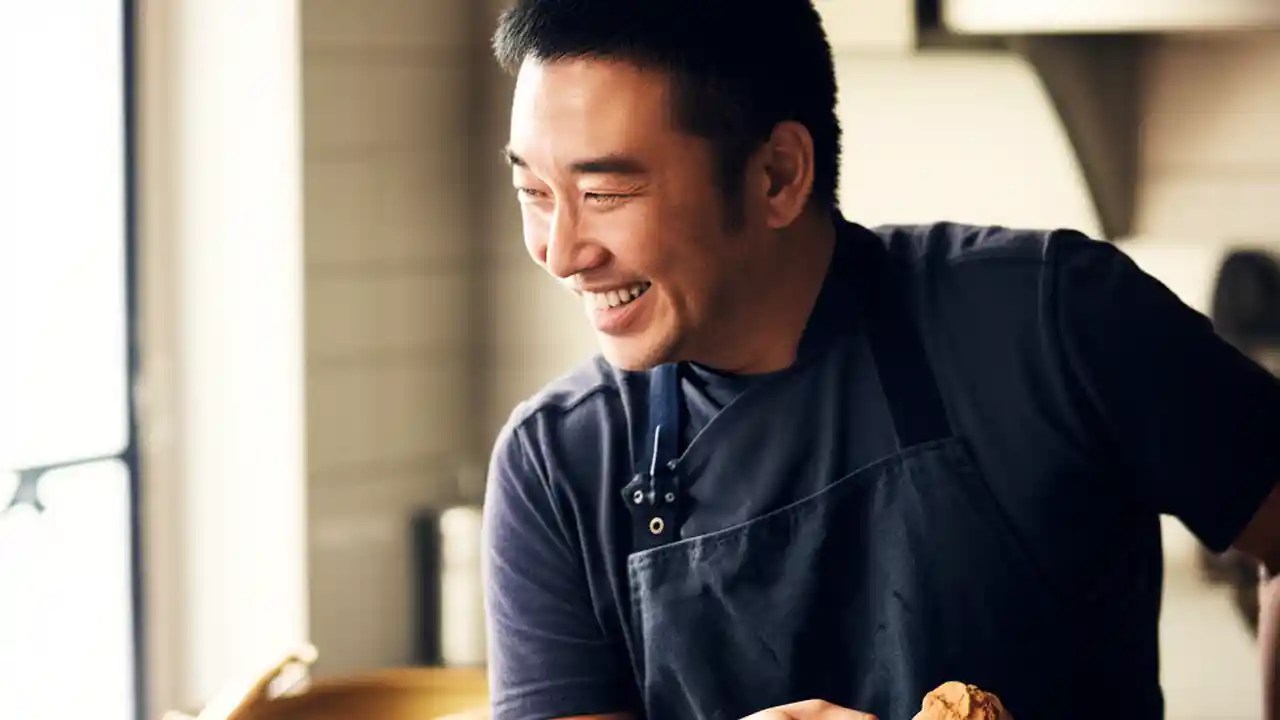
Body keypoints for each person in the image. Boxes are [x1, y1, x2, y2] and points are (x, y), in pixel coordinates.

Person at [479, 1, 1280, 718]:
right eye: (534, 194)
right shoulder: (558, 464)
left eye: (605, 194)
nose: (559, 251)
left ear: (777, 175)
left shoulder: (1053, 320)